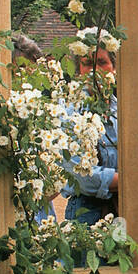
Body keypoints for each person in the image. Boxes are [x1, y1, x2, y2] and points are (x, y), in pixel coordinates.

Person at [57, 43, 119, 227]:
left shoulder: (121, 111)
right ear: (79, 70)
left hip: (123, 209)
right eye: (87, 63)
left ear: (114, 68)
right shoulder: (70, 113)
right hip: (86, 213)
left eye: (102, 62)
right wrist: (135, 179)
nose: (95, 71)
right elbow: (85, 177)